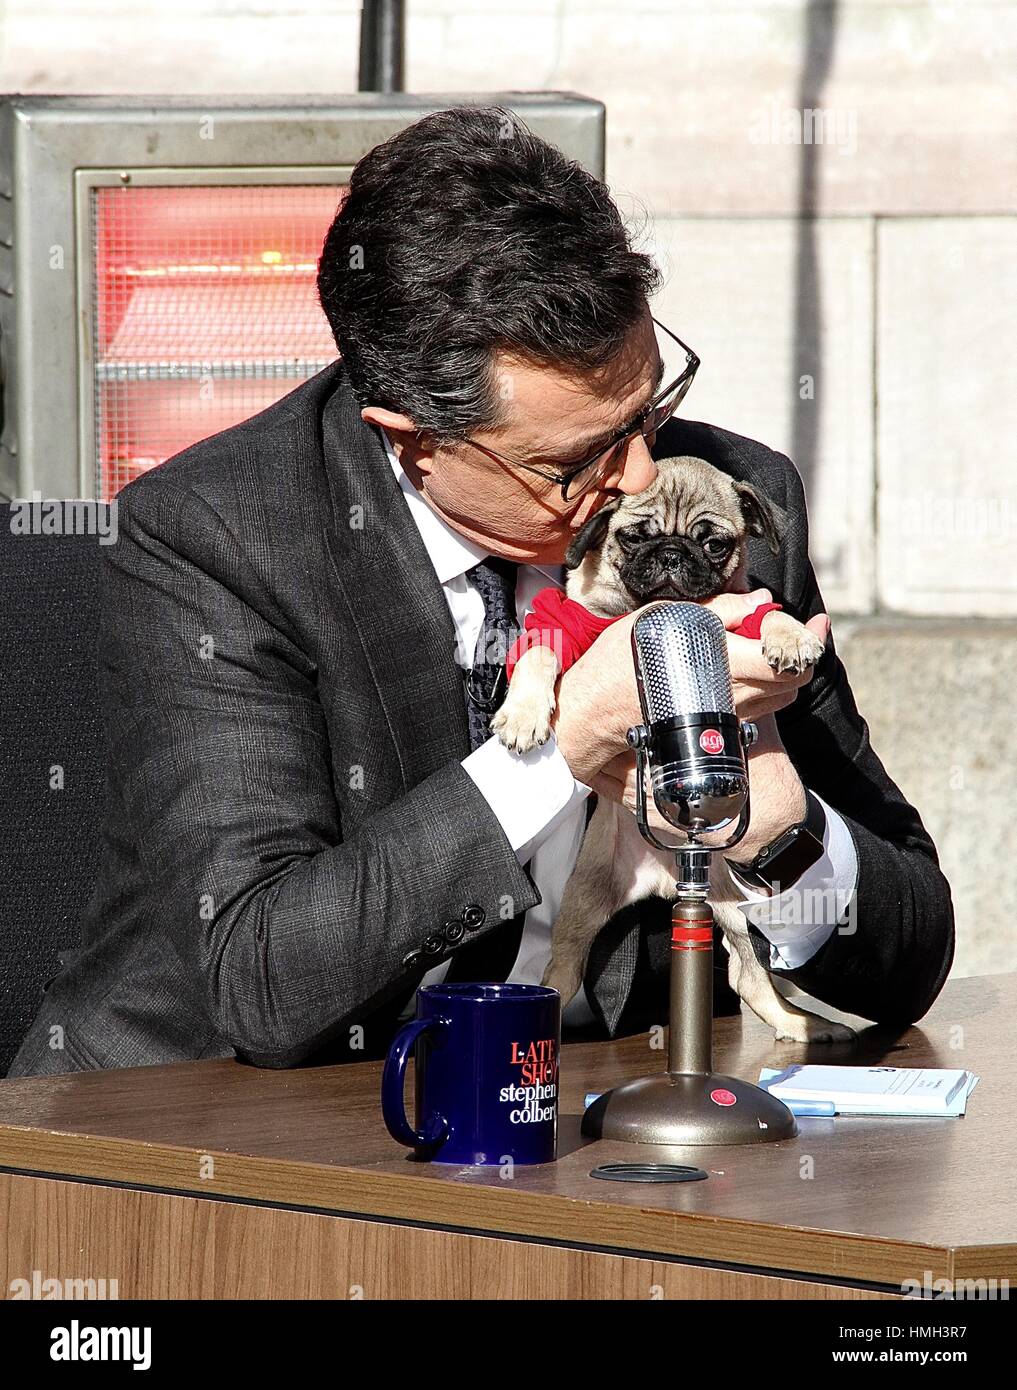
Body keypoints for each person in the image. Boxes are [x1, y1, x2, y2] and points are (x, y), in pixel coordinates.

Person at [9, 106, 953, 1077]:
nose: (635, 475)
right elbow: (262, 980)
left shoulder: (715, 508)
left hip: (587, 1103)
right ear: (411, 438)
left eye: (650, 406)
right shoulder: (220, 539)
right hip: (198, 1144)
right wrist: (564, 744)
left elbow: (913, 944)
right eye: (573, 460)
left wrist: (783, 839)